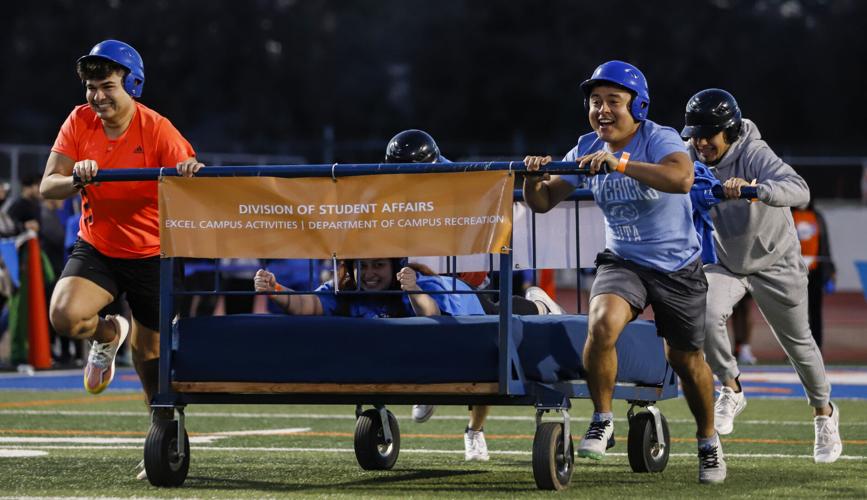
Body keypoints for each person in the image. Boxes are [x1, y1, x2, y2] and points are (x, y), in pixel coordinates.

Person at [523, 60, 725, 483]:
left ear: (639, 107)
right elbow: (542, 203)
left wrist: (620, 164)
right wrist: (532, 178)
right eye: (595, 101)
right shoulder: (582, 147)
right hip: (623, 260)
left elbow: (681, 178)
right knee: (601, 324)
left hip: (677, 268)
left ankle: (709, 442)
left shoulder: (660, 137)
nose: (602, 110)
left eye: (613, 101)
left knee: (685, 361)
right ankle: (602, 418)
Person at [39, 40, 203, 409]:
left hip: (152, 254)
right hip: (99, 246)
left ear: (133, 86)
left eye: (107, 87)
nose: (97, 97)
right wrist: (76, 180)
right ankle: (110, 332)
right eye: (91, 88)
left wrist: (192, 173)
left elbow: (193, 179)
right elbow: (50, 185)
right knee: (64, 315)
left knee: (150, 357)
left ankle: (161, 434)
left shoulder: (158, 129)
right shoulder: (78, 121)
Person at [681, 88, 841, 463]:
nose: (700, 143)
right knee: (703, 313)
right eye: (696, 135)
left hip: (775, 262)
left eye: (709, 135)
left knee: (799, 345)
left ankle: (824, 414)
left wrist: (756, 190)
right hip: (727, 262)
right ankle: (732, 387)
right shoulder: (690, 154)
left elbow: (800, 191)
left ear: (731, 131)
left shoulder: (753, 151)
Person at [383, 129, 564, 460]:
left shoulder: (460, 180)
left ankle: (474, 430)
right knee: (413, 317)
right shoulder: (391, 193)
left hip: (462, 280)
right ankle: (430, 383)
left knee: (483, 336)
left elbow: (495, 186)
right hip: (422, 282)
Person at [792, 201, 836, 350]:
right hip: (794, 272)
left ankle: (817, 346)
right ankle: (796, 349)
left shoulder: (817, 217)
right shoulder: (789, 215)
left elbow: (825, 243)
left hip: (815, 271)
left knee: (815, 311)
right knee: (795, 312)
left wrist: (830, 270)